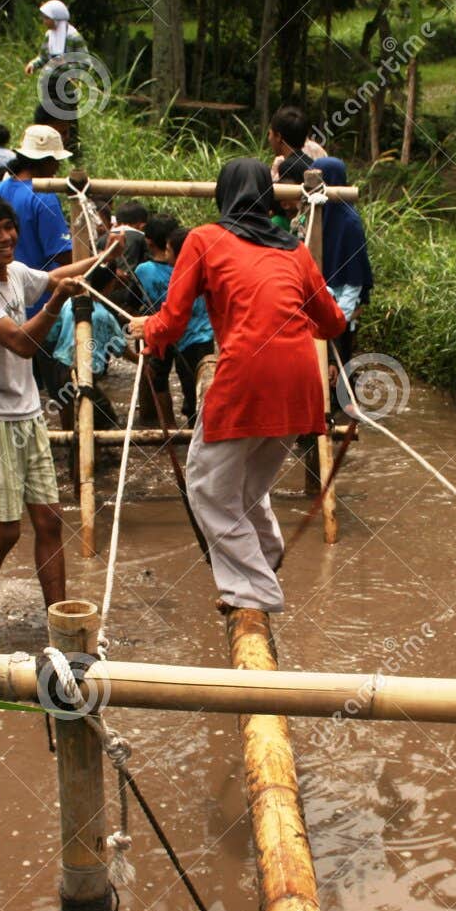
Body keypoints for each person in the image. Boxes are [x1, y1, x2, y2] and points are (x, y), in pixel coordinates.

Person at [127, 158, 348, 614]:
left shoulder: (204, 239)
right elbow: (332, 322)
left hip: (245, 375)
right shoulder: (296, 250)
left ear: (222, 197)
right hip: (300, 380)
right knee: (246, 488)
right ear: (268, 200)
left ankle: (255, 591)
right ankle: (265, 557)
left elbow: (173, 320)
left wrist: (147, 331)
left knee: (208, 488)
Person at [0, 194, 117, 625]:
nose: (7, 237)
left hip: (27, 416)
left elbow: (55, 275)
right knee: (5, 532)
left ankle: (57, 620)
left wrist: (103, 255)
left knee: (49, 522)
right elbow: (23, 344)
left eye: (9, 228)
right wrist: (56, 302)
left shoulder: (14, 274)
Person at [133, 214, 210, 428]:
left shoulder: (144, 271)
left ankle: (169, 427)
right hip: (193, 335)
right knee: (197, 387)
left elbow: (134, 301)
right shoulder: (201, 267)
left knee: (161, 380)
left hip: (163, 333)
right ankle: (193, 431)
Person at [0, 125, 73, 311]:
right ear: (45, 161)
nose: (58, 167)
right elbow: (61, 253)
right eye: (55, 161)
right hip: (37, 299)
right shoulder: (44, 197)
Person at [309, 157, 371, 368]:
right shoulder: (316, 214)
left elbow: (354, 281)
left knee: (339, 372)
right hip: (319, 311)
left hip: (340, 312)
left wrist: (337, 322)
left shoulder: (349, 223)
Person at [25, 0, 87, 150]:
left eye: (47, 18)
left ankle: (72, 152)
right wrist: (33, 64)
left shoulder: (73, 37)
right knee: (46, 118)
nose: (44, 22)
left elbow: (85, 62)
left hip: (66, 87)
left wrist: (67, 67)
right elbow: (44, 57)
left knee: (68, 121)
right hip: (48, 85)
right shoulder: (49, 35)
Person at [268, 105, 327, 182]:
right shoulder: (310, 162)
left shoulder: (288, 166)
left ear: (278, 137)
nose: (269, 138)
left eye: (269, 133)